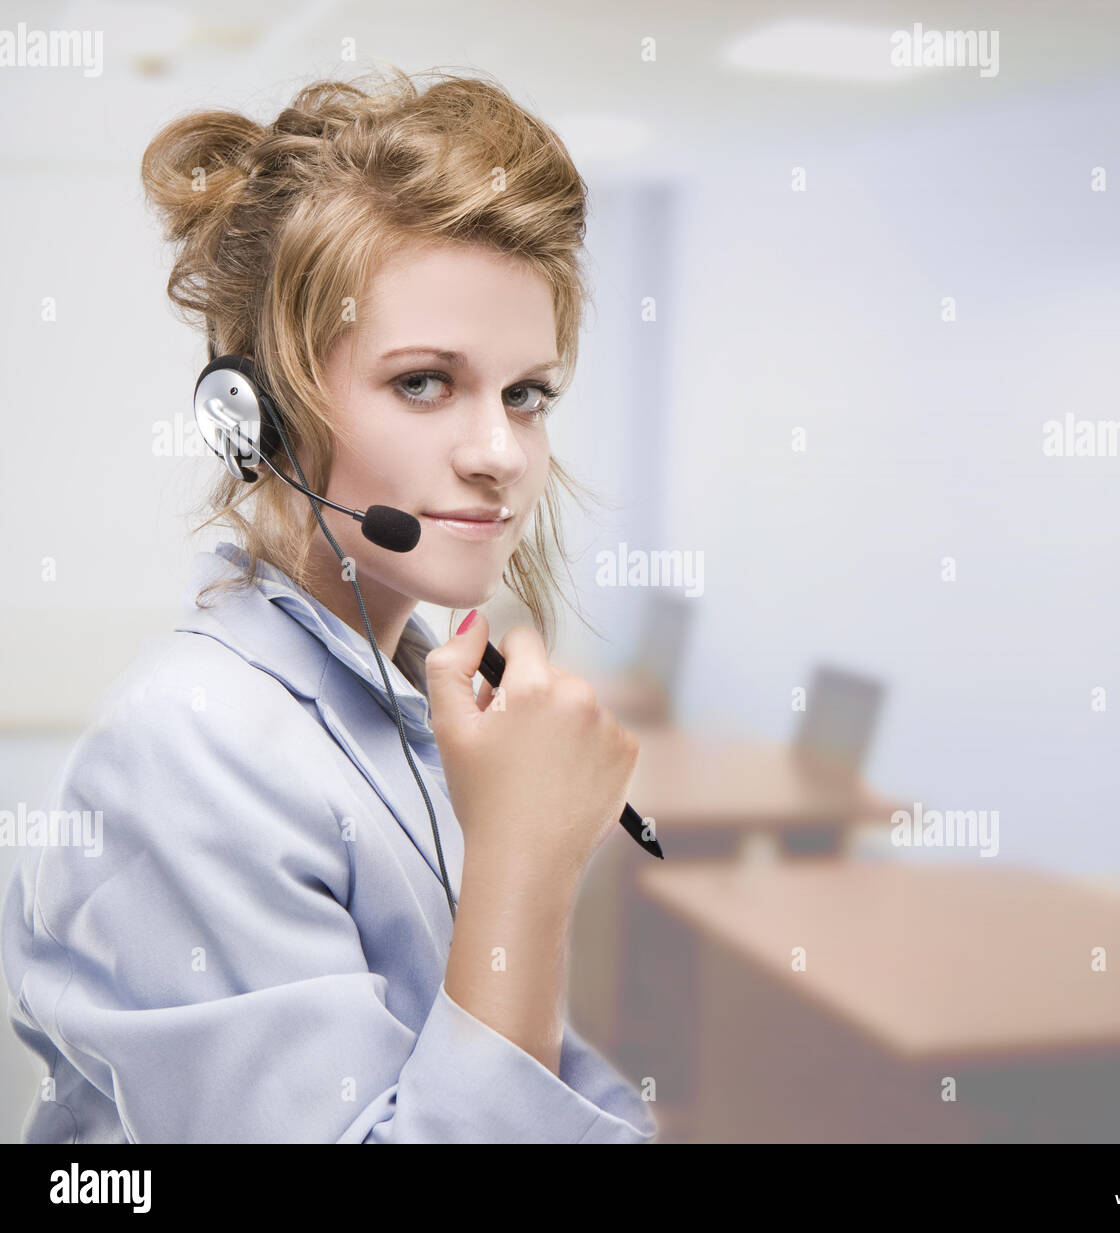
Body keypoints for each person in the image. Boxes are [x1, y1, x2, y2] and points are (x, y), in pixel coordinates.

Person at [0, 66, 655, 1144]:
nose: (500, 456)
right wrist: (527, 870)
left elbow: (543, 1084)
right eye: (423, 382)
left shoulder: (419, 693)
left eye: (524, 393)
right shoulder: (190, 751)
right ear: (254, 420)